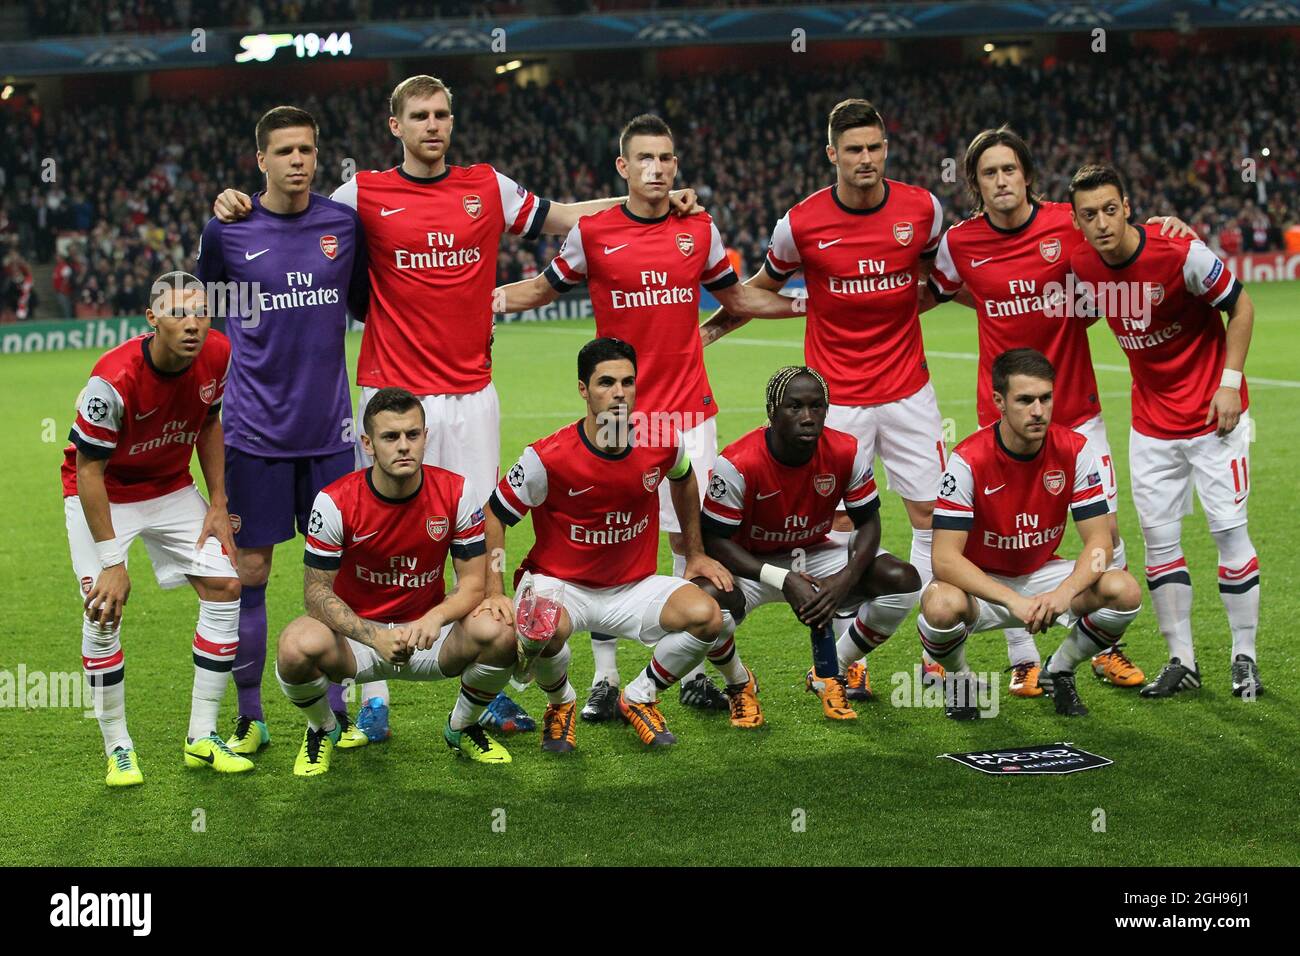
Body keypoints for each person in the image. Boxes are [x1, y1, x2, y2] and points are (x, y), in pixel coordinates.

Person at [212, 75, 703, 734]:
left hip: (473, 393)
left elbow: (563, 215)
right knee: (376, 540)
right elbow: (295, 215)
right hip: (392, 391)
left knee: (473, 539)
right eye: (419, 115)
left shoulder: (488, 187)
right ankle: (373, 693)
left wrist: (650, 194)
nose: (433, 125)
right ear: (396, 125)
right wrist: (236, 204)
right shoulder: (363, 195)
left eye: (443, 113)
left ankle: (485, 688)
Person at [492, 113, 802, 723]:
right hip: (622, 418)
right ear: (623, 168)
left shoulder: (700, 230)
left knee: (694, 547)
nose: (657, 169)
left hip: (687, 414)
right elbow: (537, 290)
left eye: (667, 159)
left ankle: (672, 675)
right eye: (646, 159)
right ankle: (607, 680)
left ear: (676, 165)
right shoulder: (595, 232)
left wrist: (812, 304)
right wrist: (467, 300)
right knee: (615, 542)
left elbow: (737, 301)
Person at [926, 127, 1198, 696]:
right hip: (1000, 417)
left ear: (1027, 174)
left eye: (1009, 170)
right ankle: (1024, 659)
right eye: (989, 173)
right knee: (1006, 537)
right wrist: (992, 303)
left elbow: (1121, 243)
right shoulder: (961, 243)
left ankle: (1102, 646)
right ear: (975, 184)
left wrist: (1172, 230)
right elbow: (942, 286)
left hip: (1077, 408)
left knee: (1109, 537)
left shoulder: (1066, 224)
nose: (1001, 181)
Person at [699, 98, 947, 694]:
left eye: (876, 148)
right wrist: (709, 332)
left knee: (932, 517)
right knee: (833, 529)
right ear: (831, 154)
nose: (867, 159)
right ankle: (839, 664)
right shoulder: (801, 223)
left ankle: (934, 648)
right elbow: (755, 292)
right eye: (854, 150)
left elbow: (940, 281)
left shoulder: (923, 208)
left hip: (910, 389)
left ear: (887, 149)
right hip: (839, 400)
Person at [195, 105, 375, 754]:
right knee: (251, 571)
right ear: (261, 160)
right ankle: (251, 717)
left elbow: (364, 304)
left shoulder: (342, 225)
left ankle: (337, 711)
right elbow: (205, 317)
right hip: (253, 436)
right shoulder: (229, 232)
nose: (298, 161)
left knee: (332, 580)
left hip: (331, 435)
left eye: (307, 149)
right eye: (285, 152)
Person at [1067, 162, 1262, 699]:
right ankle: (1183, 662)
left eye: (1111, 209)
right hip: (1151, 426)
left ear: (1128, 206)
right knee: (1160, 545)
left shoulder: (1180, 253)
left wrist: (1229, 383)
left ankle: (1243, 656)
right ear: (1077, 223)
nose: (1102, 222)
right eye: (1089, 215)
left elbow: (1241, 307)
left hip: (1212, 418)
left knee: (1228, 532)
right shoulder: (1081, 262)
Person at [483, 338, 734, 752]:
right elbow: (495, 514)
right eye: (606, 382)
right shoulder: (547, 457)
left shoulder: (662, 439)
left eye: (627, 381)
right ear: (583, 389)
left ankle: (639, 696)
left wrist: (695, 552)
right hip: (563, 586)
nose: (619, 392)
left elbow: (684, 477)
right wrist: (494, 590)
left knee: (709, 616)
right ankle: (561, 704)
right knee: (542, 629)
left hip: (632, 587)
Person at [62, 271, 249, 786]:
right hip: (104, 495)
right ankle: (118, 747)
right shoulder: (111, 380)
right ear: (152, 319)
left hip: (169, 486)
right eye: (178, 313)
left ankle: (202, 737)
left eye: (201, 312)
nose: (192, 325)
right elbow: (88, 471)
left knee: (226, 586)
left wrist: (217, 502)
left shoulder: (217, 353)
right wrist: (112, 562)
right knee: (102, 611)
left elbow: (209, 423)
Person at [275, 387, 519, 775]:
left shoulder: (457, 491)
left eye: (412, 435)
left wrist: (435, 618)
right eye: (391, 437)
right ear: (368, 444)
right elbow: (316, 594)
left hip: (430, 637)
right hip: (359, 641)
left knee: (501, 631)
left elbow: (473, 583)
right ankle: (322, 728)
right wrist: (374, 636)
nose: (404, 446)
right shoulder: (335, 501)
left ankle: (463, 725)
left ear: (426, 437)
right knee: (295, 646)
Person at [921, 348, 1143, 719]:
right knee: (940, 606)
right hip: (986, 585)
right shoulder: (967, 461)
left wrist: (1064, 592)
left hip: (1043, 576)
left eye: (1045, 398)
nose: (1038, 411)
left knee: (1125, 590)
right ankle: (960, 679)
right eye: (1025, 400)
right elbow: (944, 559)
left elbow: (1100, 543)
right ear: (999, 402)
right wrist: (1012, 600)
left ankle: (1060, 670)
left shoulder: (1076, 450)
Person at [701, 366, 923, 722]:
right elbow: (714, 539)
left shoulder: (846, 450)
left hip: (816, 554)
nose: (808, 417)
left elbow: (868, 523)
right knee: (703, 606)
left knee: (902, 580)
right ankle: (739, 683)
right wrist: (783, 579)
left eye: (817, 407)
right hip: (752, 564)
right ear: (773, 412)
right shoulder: (737, 462)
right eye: (795, 407)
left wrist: (845, 580)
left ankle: (830, 671)